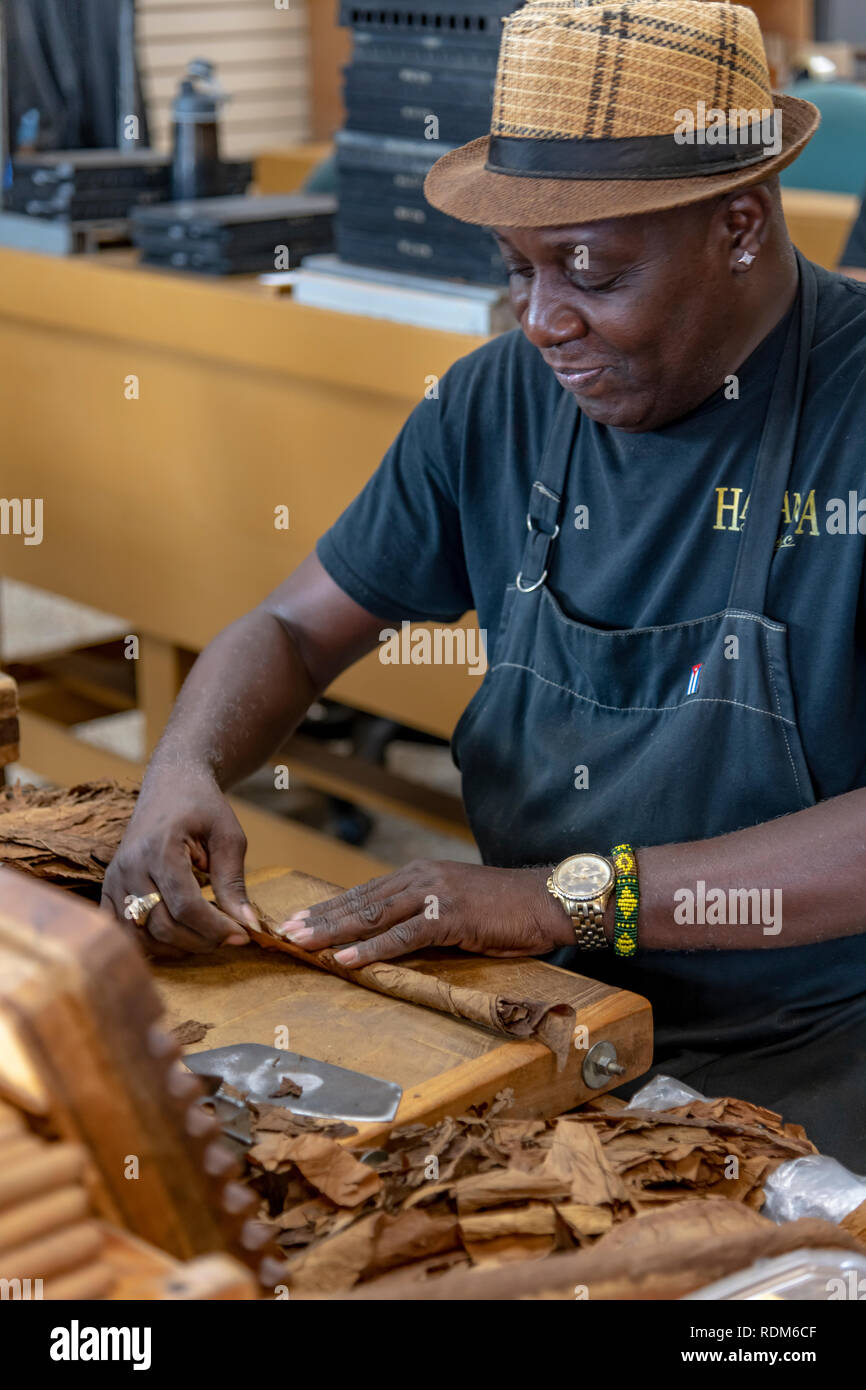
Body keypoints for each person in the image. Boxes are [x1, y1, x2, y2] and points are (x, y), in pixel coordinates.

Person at [104, 0, 866, 1165]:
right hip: (537, 1003)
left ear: (739, 224)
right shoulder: (493, 403)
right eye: (514, 271)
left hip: (814, 1040)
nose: (544, 320)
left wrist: (566, 892)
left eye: (590, 272)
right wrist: (182, 766)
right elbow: (292, 629)